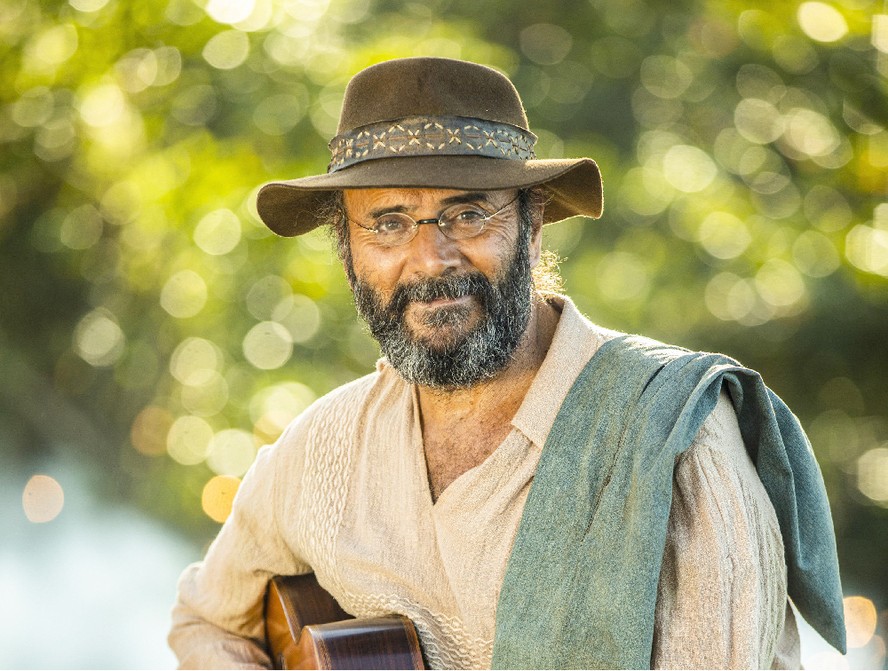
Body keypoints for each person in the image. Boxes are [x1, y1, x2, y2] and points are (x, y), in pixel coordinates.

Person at [169, 57, 846, 669]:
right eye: (389, 222)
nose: (432, 260)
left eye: (467, 213)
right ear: (345, 244)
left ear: (533, 221)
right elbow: (204, 622)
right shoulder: (319, 451)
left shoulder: (675, 438)